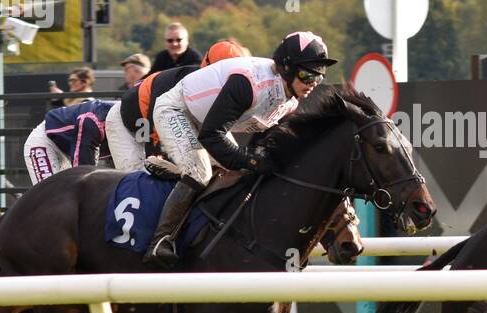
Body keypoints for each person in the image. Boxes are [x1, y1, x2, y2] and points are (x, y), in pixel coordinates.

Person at [144, 31, 336, 266]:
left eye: (319, 78)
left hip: (207, 121)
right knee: (200, 172)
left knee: (239, 174)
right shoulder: (249, 83)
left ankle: (182, 176)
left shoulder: (290, 101)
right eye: (307, 75)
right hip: (176, 110)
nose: (312, 84)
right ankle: (160, 241)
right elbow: (211, 136)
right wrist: (250, 160)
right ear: (287, 67)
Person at [106, 39, 246, 172]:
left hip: (154, 121)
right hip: (127, 123)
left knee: (229, 165)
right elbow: (155, 119)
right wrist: (156, 155)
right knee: (142, 176)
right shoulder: (180, 83)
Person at [24, 99, 113, 185]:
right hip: (46, 140)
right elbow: (82, 169)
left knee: (66, 192)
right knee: (50, 192)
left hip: (69, 150)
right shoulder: (94, 118)